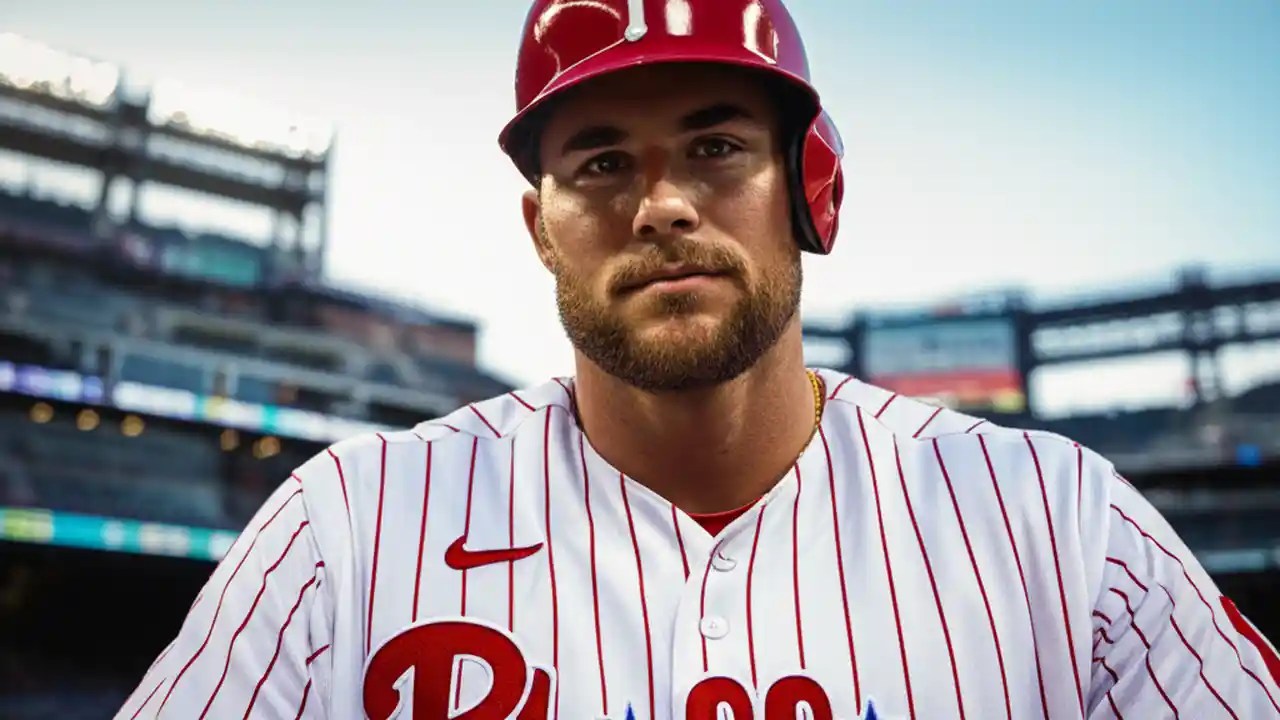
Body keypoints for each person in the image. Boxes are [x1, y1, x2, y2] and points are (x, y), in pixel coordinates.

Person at [117, 1, 1280, 718]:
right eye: (600, 165)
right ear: (540, 230)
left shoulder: (1056, 520)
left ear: (808, 192)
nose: (662, 203)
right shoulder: (347, 531)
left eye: (718, 146)